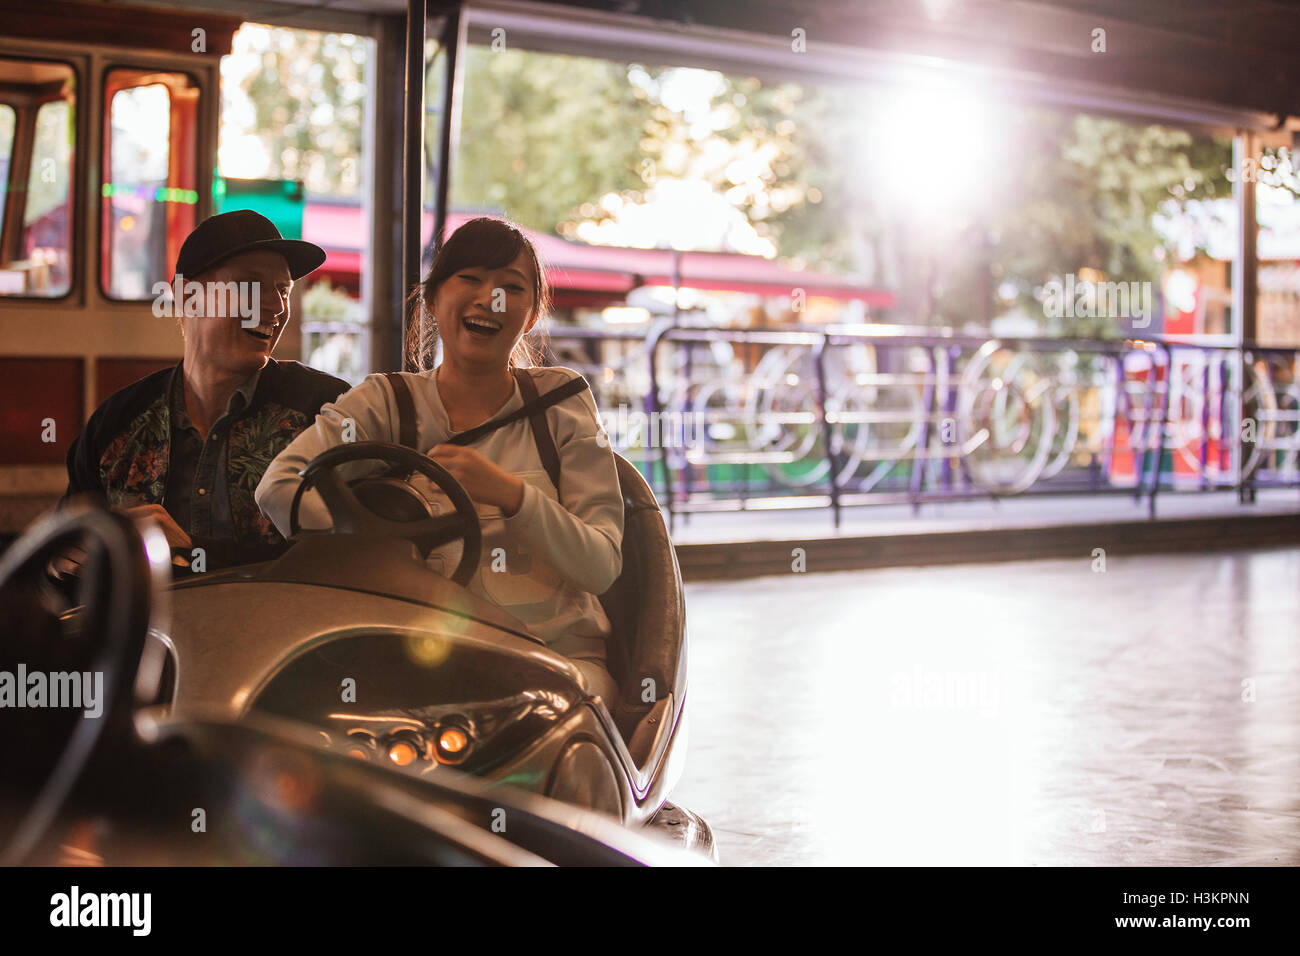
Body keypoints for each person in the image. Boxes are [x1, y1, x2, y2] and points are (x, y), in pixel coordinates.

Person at [255, 217, 623, 703]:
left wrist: (511, 495)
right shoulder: (386, 402)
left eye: (511, 288)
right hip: (422, 662)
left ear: (531, 315)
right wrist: (375, 546)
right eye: (469, 278)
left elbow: (601, 566)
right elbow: (279, 487)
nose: (488, 299)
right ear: (430, 299)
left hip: (555, 666)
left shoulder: (559, 402)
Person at [62, 210, 350, 570]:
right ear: (189, 295)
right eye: (253, 285)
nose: (276, 307)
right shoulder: (115, 425)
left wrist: (193, 552)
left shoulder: (326, 412)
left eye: (283, 291)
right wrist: (65, 566)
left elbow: (351, 558)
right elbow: (65, 556)